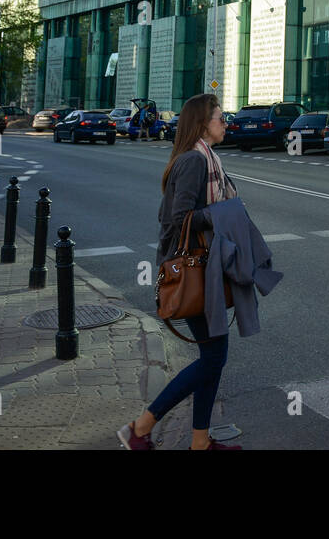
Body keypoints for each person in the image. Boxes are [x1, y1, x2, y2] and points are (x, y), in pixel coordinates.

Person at [120, 93, 241, 450]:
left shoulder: (207, 159)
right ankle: (139, 428)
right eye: (220, 117)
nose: (224, 122)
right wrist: (225, 214)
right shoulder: (194, 162)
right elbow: (180, 218)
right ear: (203, 123)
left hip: (205, 267)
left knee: (213, 357)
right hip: (193, 271)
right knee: (214, 356)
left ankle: (200, 442)